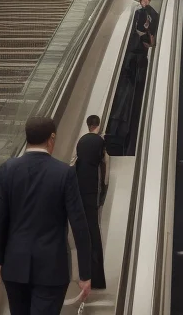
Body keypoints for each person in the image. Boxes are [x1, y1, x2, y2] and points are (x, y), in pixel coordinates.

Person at [0, 117, 92, 315]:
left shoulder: (7, 170)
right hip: (52, 269)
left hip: (15, 266)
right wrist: (85, 274)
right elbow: (79, 224)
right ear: (51, 138)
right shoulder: (64, 173)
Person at [74, 115, 109, 290]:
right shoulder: (100, 142)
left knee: (84, 232)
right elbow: (103, 167)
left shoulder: (81, 141)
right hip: (92, 191)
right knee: (95, 233)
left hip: (80, 190)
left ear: (87, 125)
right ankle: (97, 279)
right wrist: (104, 190)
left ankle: (84, 274)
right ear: (98, 125)